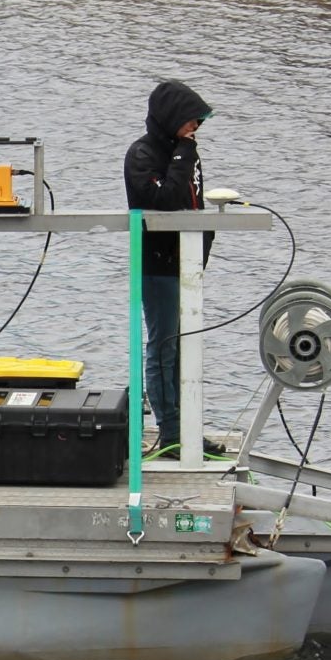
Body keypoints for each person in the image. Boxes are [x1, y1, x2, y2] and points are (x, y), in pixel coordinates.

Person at [123, 79, 214, 455]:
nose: (194, 128)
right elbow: (167, 200)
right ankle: (172, 432)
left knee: (184, 348)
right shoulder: (143, 154)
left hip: (185, 267)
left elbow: (196, 206)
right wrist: (183, 154)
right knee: (163, 347)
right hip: (157, 267)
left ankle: (187, 425)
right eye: (190, 121)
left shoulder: (185, 153)